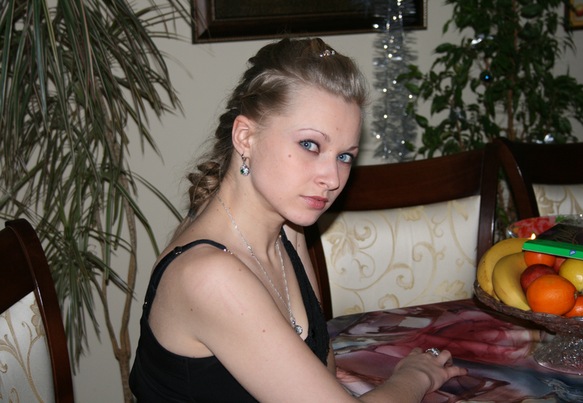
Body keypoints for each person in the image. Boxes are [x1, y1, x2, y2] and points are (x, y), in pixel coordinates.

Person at [129, 37, 467, 402]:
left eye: (345, 156)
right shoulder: (210, 277)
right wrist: (415, 377)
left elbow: (322, 366)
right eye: (310, 145)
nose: (332, 179)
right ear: (245, 136)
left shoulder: (289, 231)